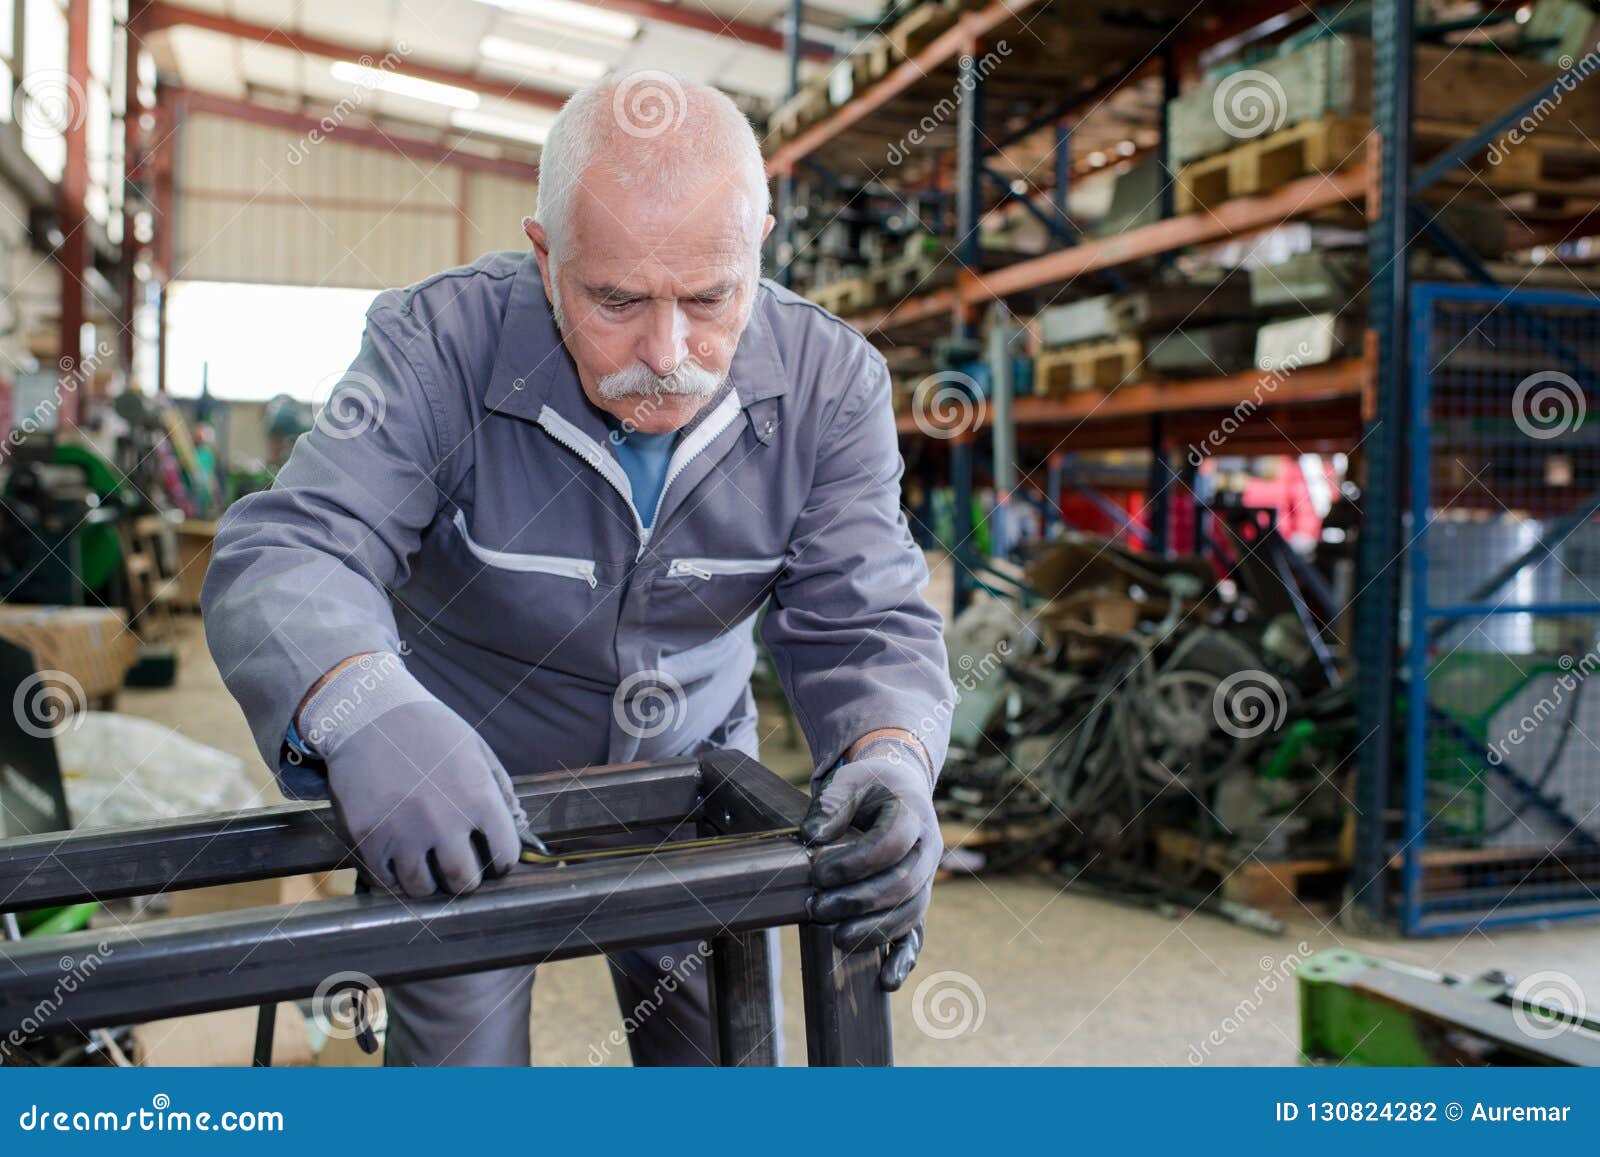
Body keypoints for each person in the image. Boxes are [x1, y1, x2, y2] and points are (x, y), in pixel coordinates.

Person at [202, 72, 954, 1066]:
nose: (666, 352)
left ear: (759, 242)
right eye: (614, 299)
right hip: (457, 794)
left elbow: (863, 616)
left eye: (709, 296)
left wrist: (891, 752)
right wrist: (360, 706)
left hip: (690, 800)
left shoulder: (830, 383)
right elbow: (291, 549)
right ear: (545, 254)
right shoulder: (440, 346)